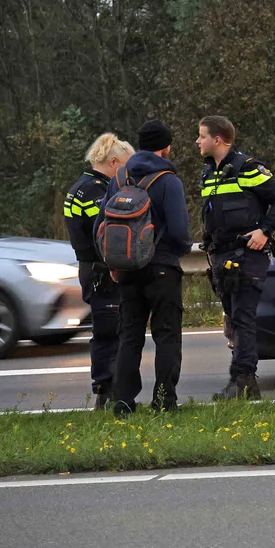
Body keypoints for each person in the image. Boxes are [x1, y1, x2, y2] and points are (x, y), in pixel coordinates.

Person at [196, 115, 275, 400]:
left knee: (243, 319)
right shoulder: (209, 172)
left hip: (247, 254)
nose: (197, 141)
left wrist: (265, 231)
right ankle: (243, 383)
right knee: (234, 319)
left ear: (218, 139)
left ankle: (243, 380)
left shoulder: (248, 168)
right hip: (221, 255)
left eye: (202, 136)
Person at [107, 120, 194, 414]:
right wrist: (178, 251)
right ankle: (164, 402)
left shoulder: (118, 178)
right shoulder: (169, 180)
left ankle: (122, 403)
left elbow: (100, 225)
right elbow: (181, 231)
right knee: (166, 334)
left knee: (130, 336)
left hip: (127, 269)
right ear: (166, 147)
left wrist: (114, 260)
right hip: (162, 268)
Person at [63, 133, 135, 409]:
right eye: (125, 167)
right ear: (113, 161)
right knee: (108, 332)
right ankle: (107, 394)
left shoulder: (80, 186)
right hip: (101, 271)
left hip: (91, 268)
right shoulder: (96, 190)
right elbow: (104, 234)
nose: (127, 174)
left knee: (110, 330)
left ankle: (109, 390)